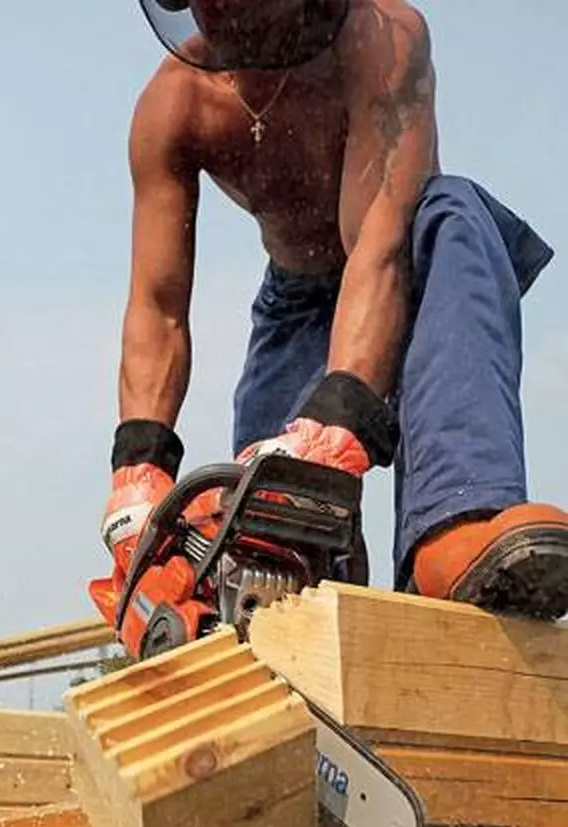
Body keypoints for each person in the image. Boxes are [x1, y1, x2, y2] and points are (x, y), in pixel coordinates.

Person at [97, 0, 568, 622]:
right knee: (270, 534)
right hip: (296, 300)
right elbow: (158, 309)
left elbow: (378, 245)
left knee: (454, 215)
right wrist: (139, 466)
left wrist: (341, 409)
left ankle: (456, 526)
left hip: (409, 260)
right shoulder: (172, 107)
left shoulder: (383, 39)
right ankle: (299, 594)